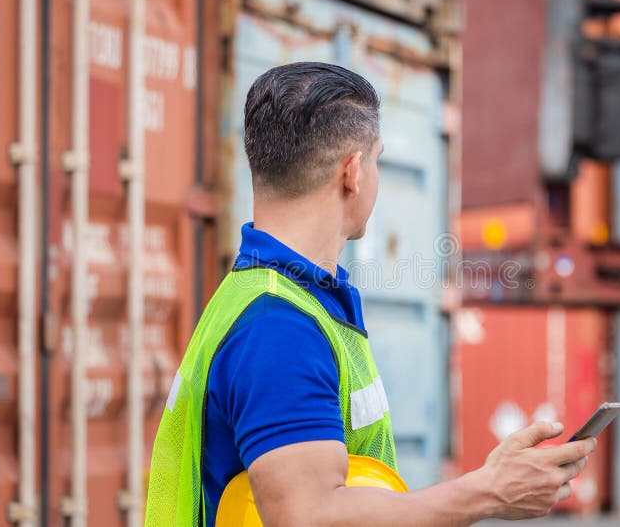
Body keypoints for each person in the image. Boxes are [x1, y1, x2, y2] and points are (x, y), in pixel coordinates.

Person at [144, 62, 595, 527]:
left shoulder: (272, 296)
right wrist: (490, 492)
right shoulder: (279, 327)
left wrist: (490, 481)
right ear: (353, 172)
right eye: (376, 158)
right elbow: (311, 516)